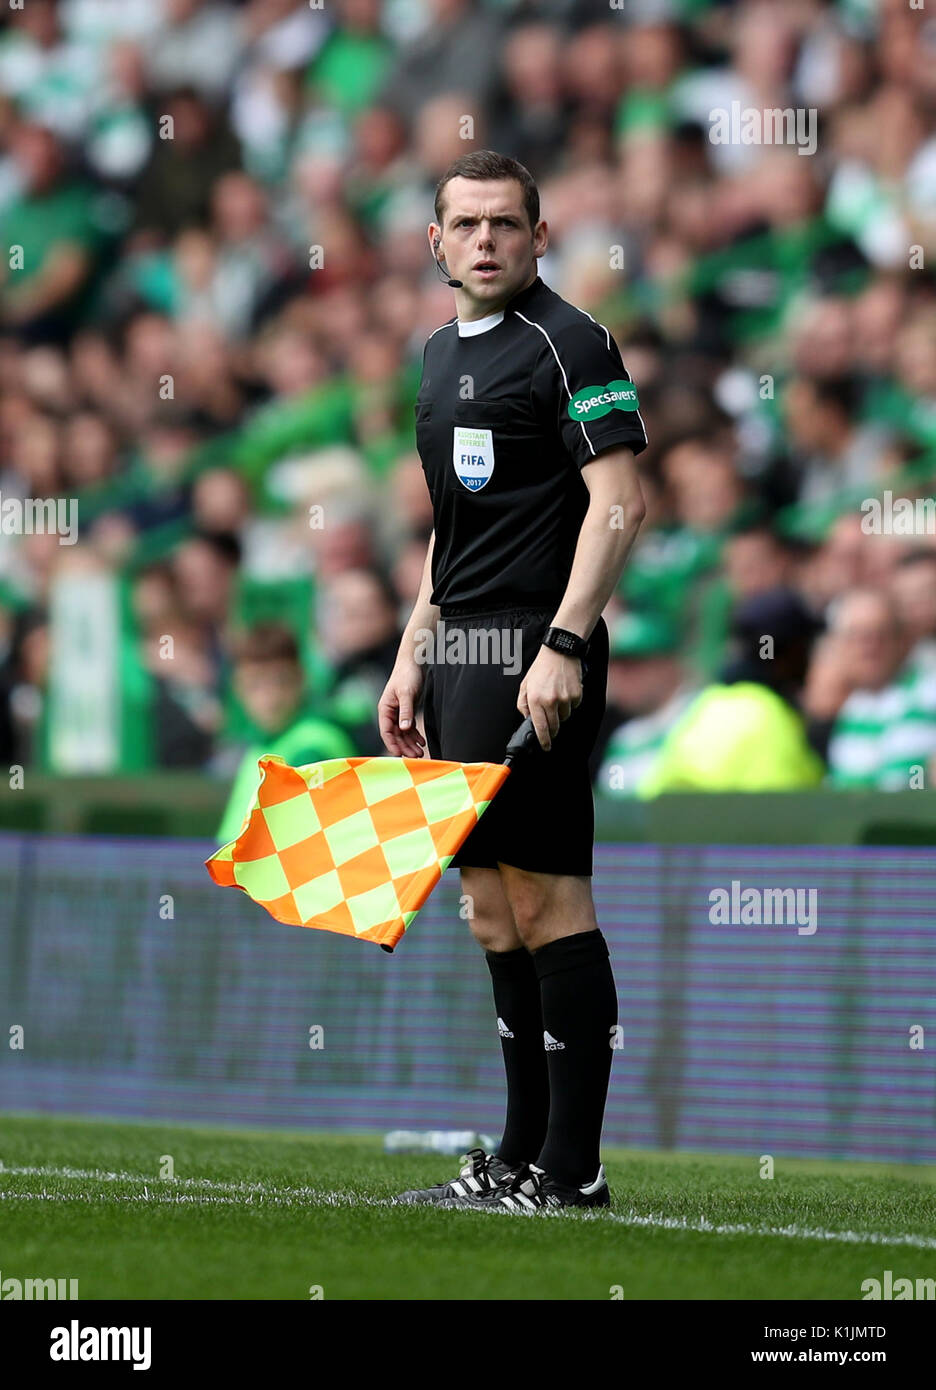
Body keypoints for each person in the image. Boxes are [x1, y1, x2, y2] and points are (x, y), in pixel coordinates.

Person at [378, 151, 647, 1212]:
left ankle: (572, 1171)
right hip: (459, 654)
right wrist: (413, 648)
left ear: (539, 238)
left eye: (506, 223)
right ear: (433, 243)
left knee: (546, 893)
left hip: (537, 646)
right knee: (489, 907)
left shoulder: (571, 342)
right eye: (466, 223)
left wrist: (568, 643)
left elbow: (620, 503)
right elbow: (455, 533)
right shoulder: (439, 354)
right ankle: (519, 1151)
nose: (485, 240)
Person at [216, 623, 355, 845]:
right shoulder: (260, 743)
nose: (269, 699)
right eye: (255, 685)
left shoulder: (314, 745)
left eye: (281, 682)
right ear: (238, 688)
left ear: (301, 678)